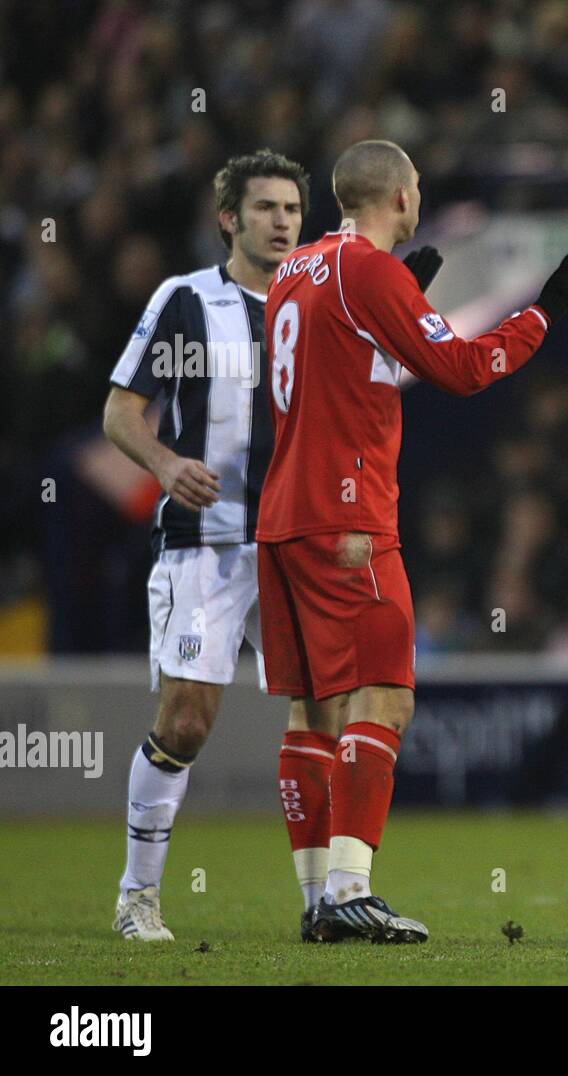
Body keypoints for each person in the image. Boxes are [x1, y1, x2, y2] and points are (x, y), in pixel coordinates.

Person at [257, 138, 568, 943]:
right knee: (385, 694)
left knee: (312, 715)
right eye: (415, 186)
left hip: (282, 516)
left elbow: (332, 370)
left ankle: (317, 900)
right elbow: (464, 366)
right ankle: (351, 888)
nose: (418, 198)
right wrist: (544, 313)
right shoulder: (368, 270)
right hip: (346, 519)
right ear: (400, 198)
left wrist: (388, 321)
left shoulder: (295, 270)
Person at [103, 149, 309, 941]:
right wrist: (163, 463)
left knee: (326, 715)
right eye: (266, 208)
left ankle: (329, 896)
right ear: (230, 218)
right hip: (206, 543)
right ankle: (137, 896)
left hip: (295, 544)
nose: (282, 221)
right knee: (187, 721)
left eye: (292, 208)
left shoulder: (317, 303)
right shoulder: (184, 300)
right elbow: (121, 409)